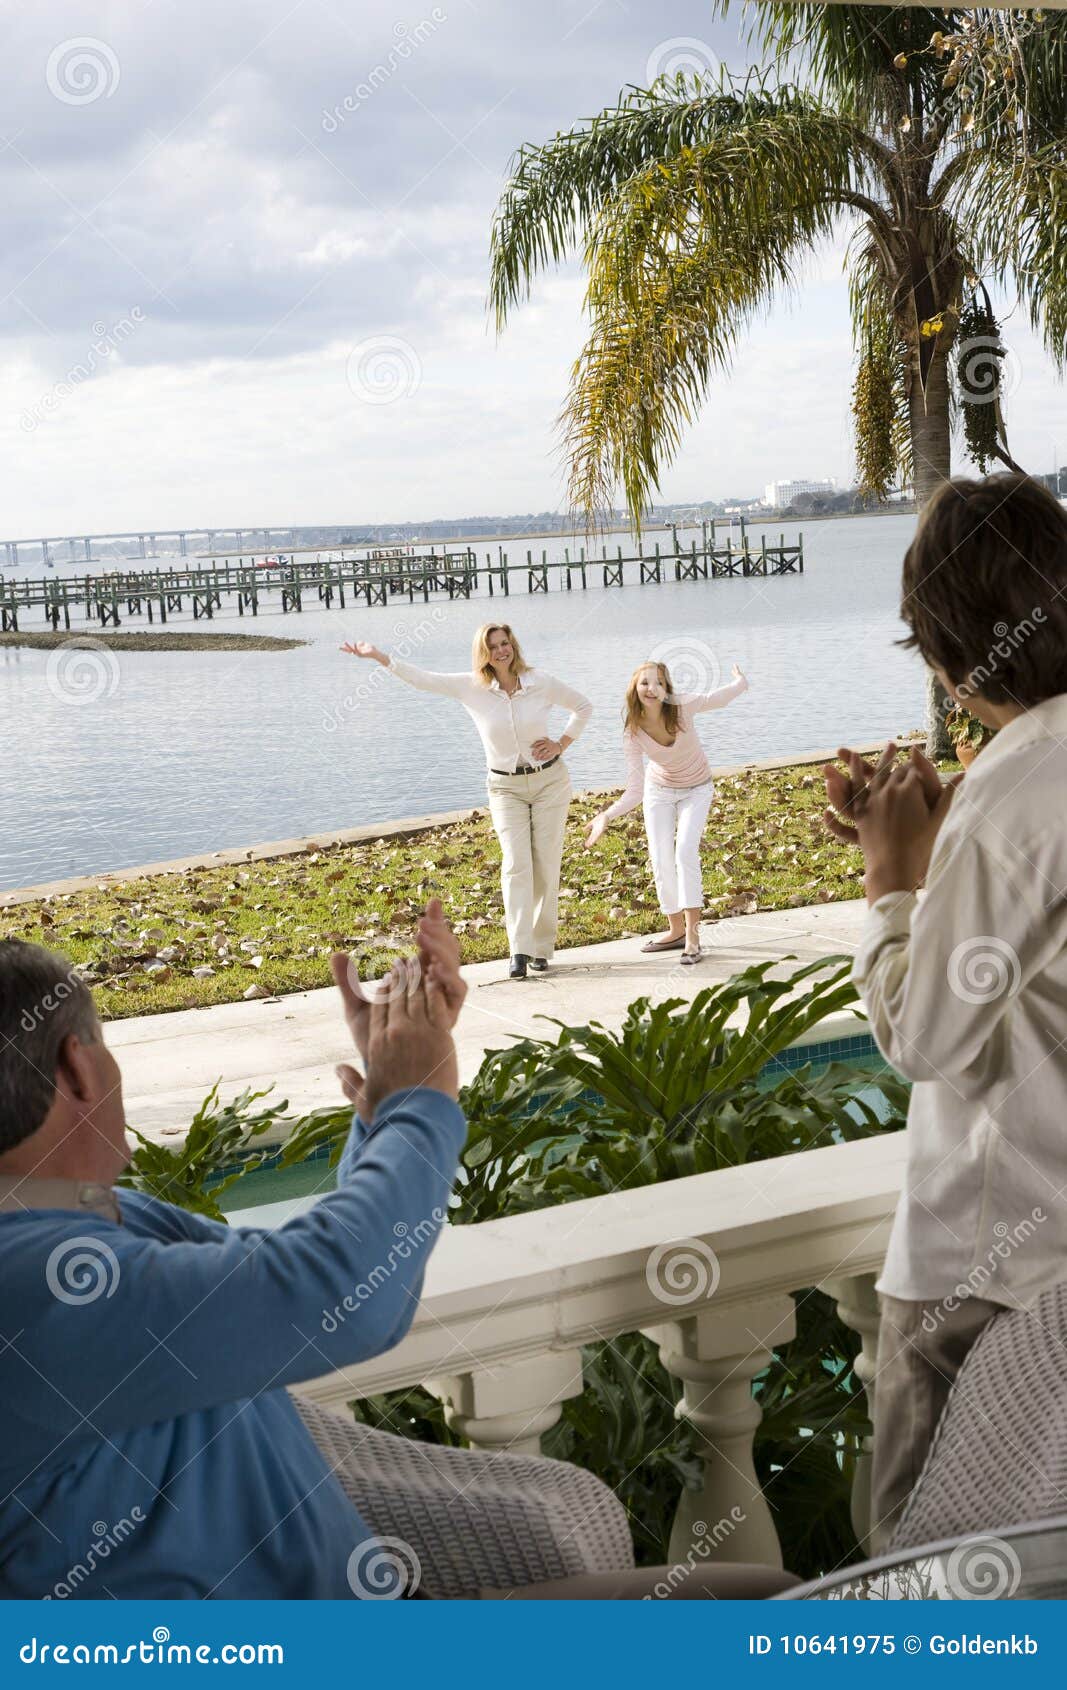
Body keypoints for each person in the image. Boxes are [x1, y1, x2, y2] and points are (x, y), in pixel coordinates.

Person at [0, 917, 796, 1599]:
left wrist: (383, 1107)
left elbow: (303, 1282)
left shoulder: (81, 1225)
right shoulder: (36, 1283)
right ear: (79, 1068)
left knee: (767, 1603)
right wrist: (423, 1100)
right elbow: (338, 1292)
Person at [822, 473, 1067, 1551]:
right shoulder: (1010, 791)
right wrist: (935, 848)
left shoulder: (1011, 798)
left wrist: (889, 881)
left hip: (987, 1272)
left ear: (941, 645)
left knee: (913, 1578)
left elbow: (924, 1038)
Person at [342, 624, 592, 979]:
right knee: (516, 864)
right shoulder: (471, 686)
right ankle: (519, 950)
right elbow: (423, 679)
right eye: (493, 647)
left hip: (550, 781)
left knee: (546, 863)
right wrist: (379, 657)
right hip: (505, 788)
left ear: (513, 645)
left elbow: (583, 706)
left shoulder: (540, 681)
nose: (501, 651)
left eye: (505, 643)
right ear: (483, 653)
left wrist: (561, 744)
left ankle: (541, 947)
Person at [584, 657, 749, 963]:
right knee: (660, 856)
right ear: (635, 687)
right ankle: (675, 931)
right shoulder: (633, 731)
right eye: (645, 682)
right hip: (659, 791)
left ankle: (693, 938)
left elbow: (719, 699)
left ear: (667, 689)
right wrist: (606, 815)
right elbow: (635, 789)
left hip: (697, 788)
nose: (651, 688)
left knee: (685, 852)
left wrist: (740, 682)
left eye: (659, 682)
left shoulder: (683, 707)